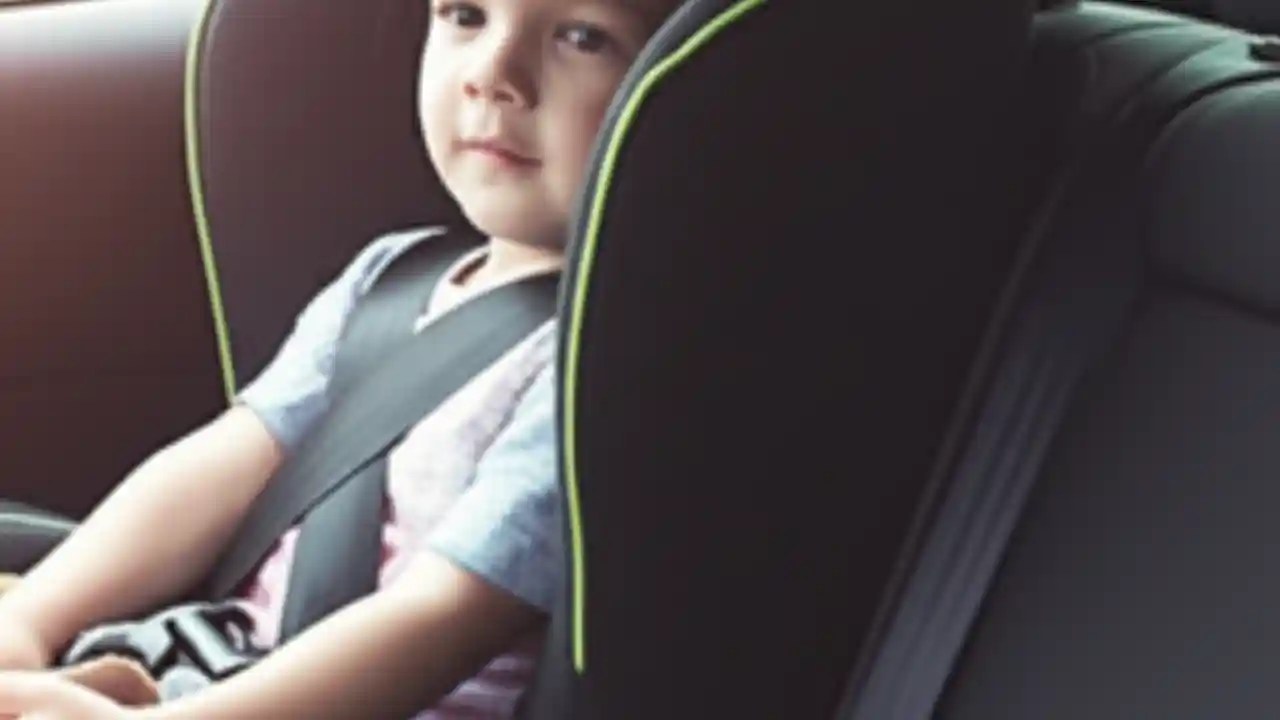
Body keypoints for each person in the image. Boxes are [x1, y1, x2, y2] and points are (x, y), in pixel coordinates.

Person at [0, 0, 677, 716]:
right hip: (216, 665)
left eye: (582, 37)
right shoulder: (388, 278)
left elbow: (441, 617)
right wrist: (30, 621)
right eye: (466, 15)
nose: (492, 74)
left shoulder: (595, 370)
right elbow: (218, 466)